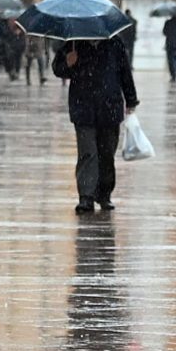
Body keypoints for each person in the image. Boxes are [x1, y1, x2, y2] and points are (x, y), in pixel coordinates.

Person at [57, 31, 138, 215]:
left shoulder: (115, 42)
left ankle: (104, 193)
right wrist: (68, 64)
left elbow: (125, 72)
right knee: (87, 152)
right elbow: (58, 68)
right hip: (83, 106)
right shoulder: (74, 42)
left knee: (106, 153)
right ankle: (86, 196)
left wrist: (131, 100)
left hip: (109, 106)